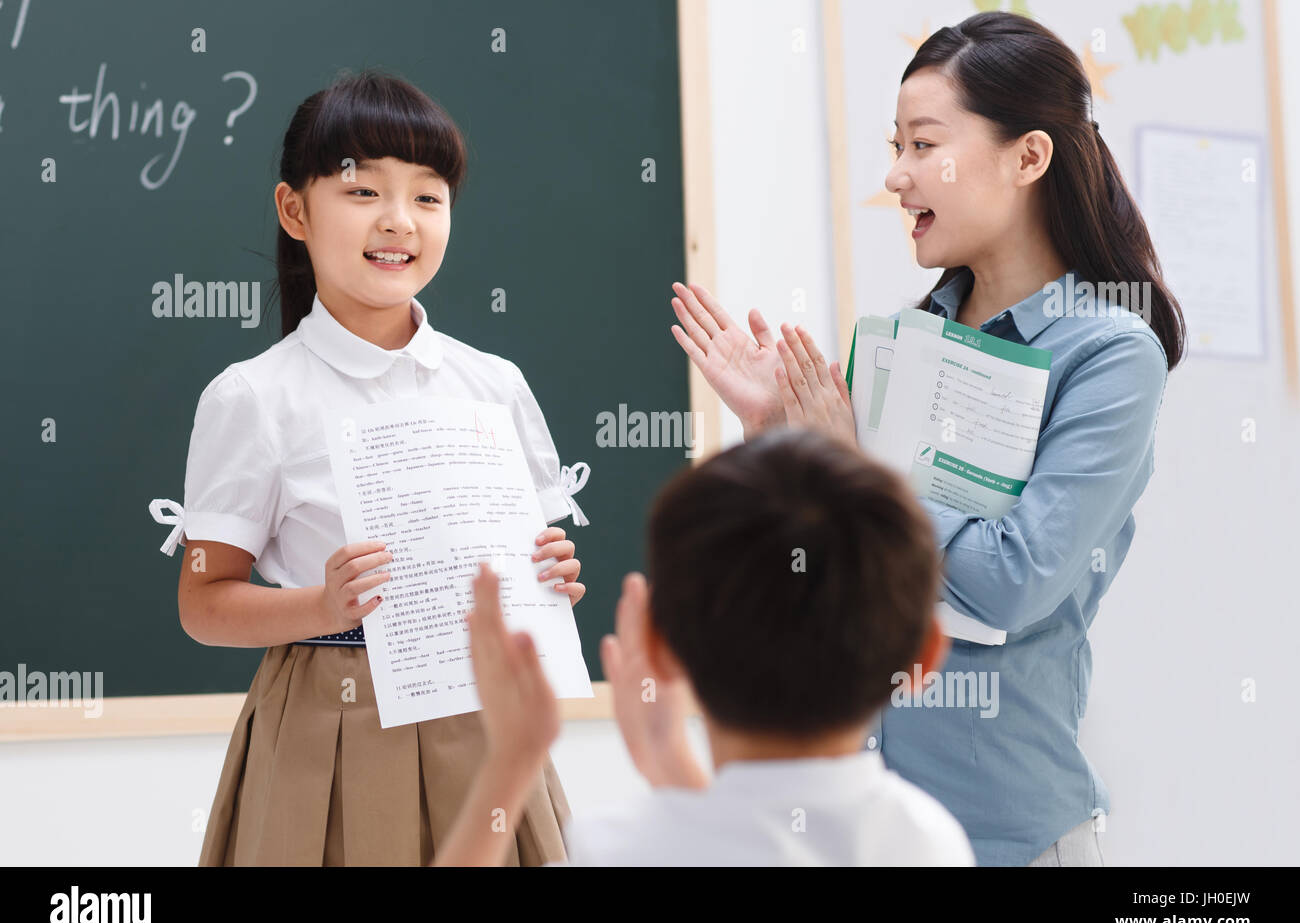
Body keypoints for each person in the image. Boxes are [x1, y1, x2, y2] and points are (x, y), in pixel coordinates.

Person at [668, 11, 1183, 866]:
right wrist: (780, 442)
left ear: (1029, 157)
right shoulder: (905, 338)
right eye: (893, 146)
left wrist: (855, 464)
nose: (897, 177)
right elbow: (823, 585)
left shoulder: (1110, 354)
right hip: (864, 831)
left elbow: (1012, 582)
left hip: (1010, 836)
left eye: (921, 145)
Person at [168, 69, 585, 866]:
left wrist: (552, 572)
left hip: (481, 719)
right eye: (364, 193)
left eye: (428, 197)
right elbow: (203, 602)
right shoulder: (253, 396)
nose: (400, 221)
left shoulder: (494, 383)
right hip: (325, 722)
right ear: (296, 210)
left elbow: (531, 567)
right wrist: (321, 603)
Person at [435, 428, 977, 866]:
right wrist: (670, 762)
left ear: (657, 644)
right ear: (924, 659)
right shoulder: (930, 842)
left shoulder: (616, 851)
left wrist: (511, 761)